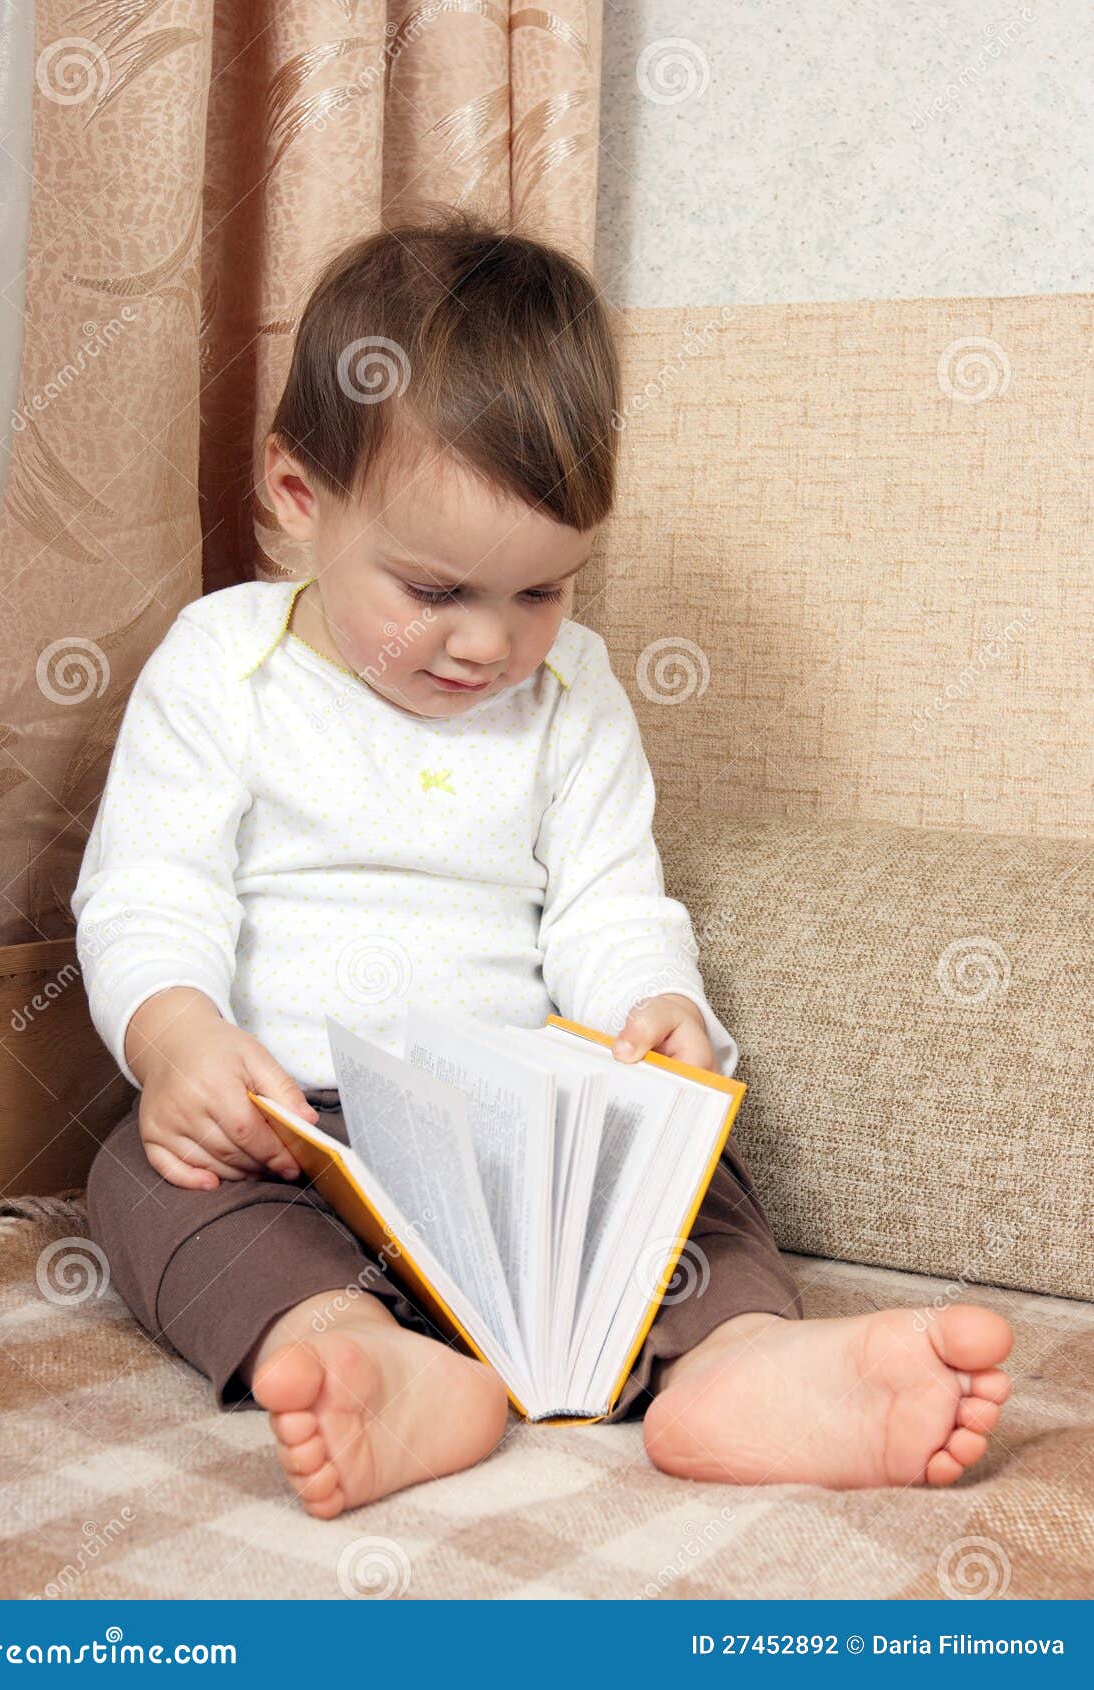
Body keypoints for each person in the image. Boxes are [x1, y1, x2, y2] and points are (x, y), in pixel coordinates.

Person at [75, 209, 1012, 1520]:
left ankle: (736, 1362)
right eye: (434, 589)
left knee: (694, 1189)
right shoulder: (219, 664)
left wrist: (653, 1007)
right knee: (139, 1175)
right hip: (294, 1123)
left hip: (519, 1130)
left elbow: (607, 896)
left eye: (540, 592)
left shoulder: (572, 690)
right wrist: (171, 1032)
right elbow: (148, 887)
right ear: (298, 502)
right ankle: (351, 1346)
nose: (489, 645)